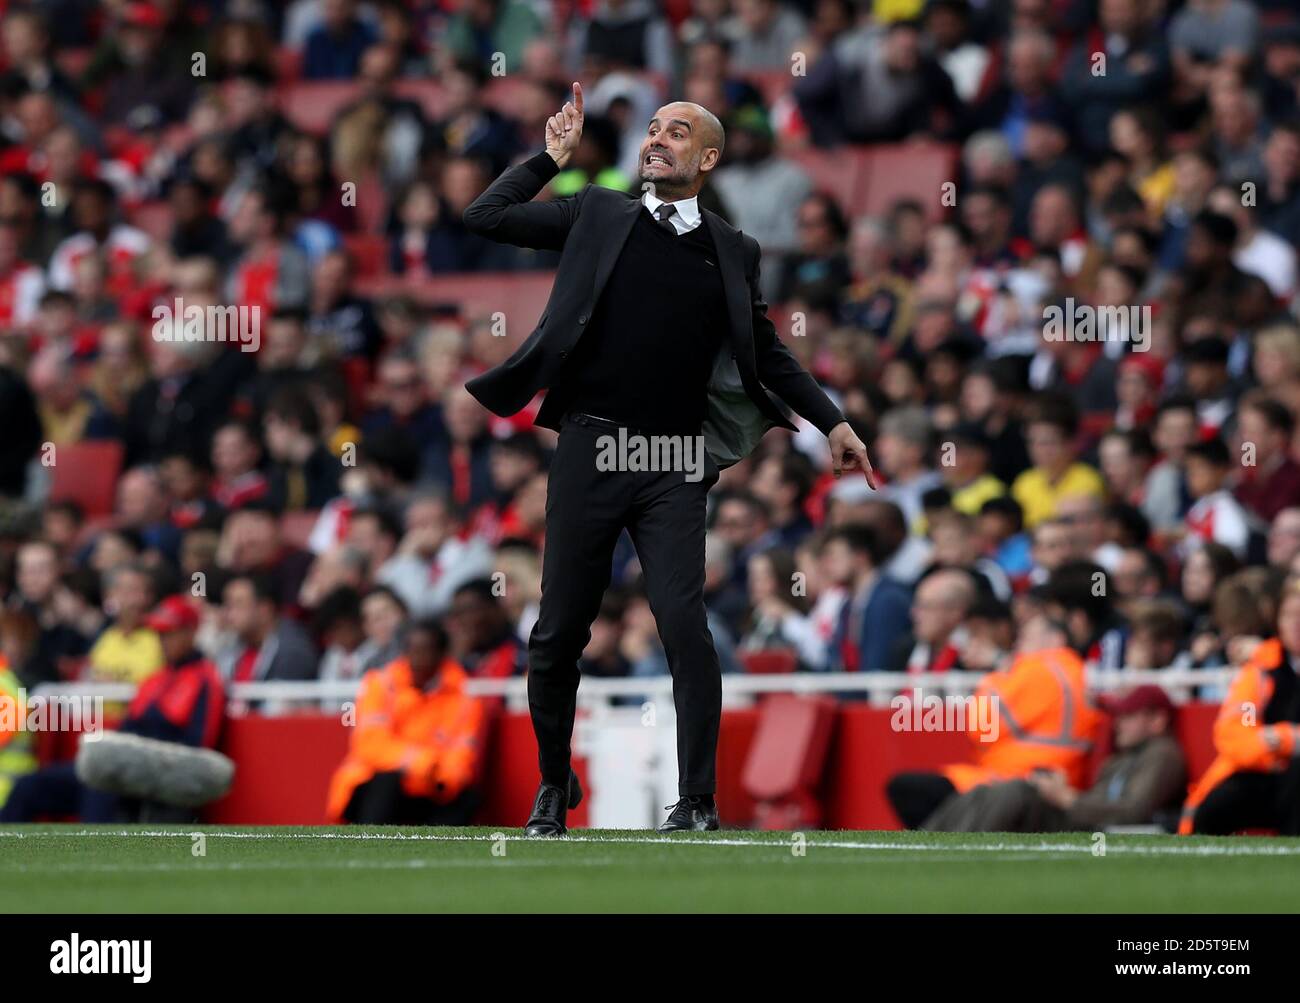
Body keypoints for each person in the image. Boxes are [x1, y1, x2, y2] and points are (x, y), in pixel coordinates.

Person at [462, 83, 875, 836]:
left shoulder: (732, 248)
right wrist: (548, 160)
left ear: (708, 157)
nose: (657, 139)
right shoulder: (598, 210)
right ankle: (555, 783)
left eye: (676, 132)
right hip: (592, 444)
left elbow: (768, 351)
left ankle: (697, 800)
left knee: (685, 623)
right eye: (652, 129)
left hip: (675, 454)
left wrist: (832, 421)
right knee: (558, 630)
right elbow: (483, 216)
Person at [0, 596, 225, 823]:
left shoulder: (205, 679)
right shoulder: (154, 681)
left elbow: (198, 747)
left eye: (168, 634)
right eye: (159, 634)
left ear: (190, 632)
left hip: (161, 772)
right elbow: (127, 729)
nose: (162, 641)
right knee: (29, 786)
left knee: (102, 784)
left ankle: (96, 855)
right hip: (125, 765)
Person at [886, 614, 1104, 829]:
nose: (1019, 644)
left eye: (1026, 637)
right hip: (1042, 779)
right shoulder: (1072, 672)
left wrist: (995, 670)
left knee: (907, 789)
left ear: (1056, 639)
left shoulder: (1037, 670)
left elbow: (981, 726)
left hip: (1014, 781)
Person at [925, 685, 1187, 832]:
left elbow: (1134, 810)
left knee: (1017, 791)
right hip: (1085, 818)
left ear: (1157, 720)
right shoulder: (1121, 759)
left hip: (1097, 829)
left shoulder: (1163, 755)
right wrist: (1063, 791)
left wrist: (1067, 798)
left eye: (1129, 716)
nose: (1118, 724)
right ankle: (926, 839)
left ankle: (963, 845)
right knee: (985, 790)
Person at [326, 618, 487, 826]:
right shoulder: (380, 684)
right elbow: (370, 744)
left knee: (466, 796)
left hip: (429, 786)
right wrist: (423, 762)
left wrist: (441, 775)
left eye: (425, 650)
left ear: (441, 654)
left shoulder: (464, 697)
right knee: (387, 782)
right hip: (373, 784)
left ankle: (440, 853)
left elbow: (462, 756)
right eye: (412, 650)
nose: (418, 658)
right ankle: (369, 844)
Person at [1181, 580, 1300, 835]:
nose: (1296, 623)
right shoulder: (1261, 671)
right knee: (1215, 808)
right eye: (1289, 614)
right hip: (1266, 771)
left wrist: (1279, 738)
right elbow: (1238, 732)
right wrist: (1283, 744)